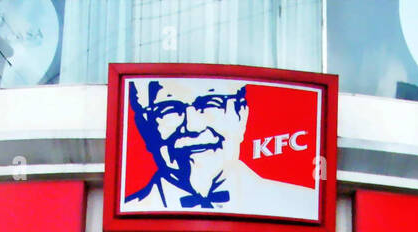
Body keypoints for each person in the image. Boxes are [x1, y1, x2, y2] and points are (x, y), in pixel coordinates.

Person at [124, 77, 316, 217]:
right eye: (170, 109)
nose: (192, 125)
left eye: (210, 104)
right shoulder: (133, 208)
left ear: (241, 116)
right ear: (144, 127)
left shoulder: (300, 204)